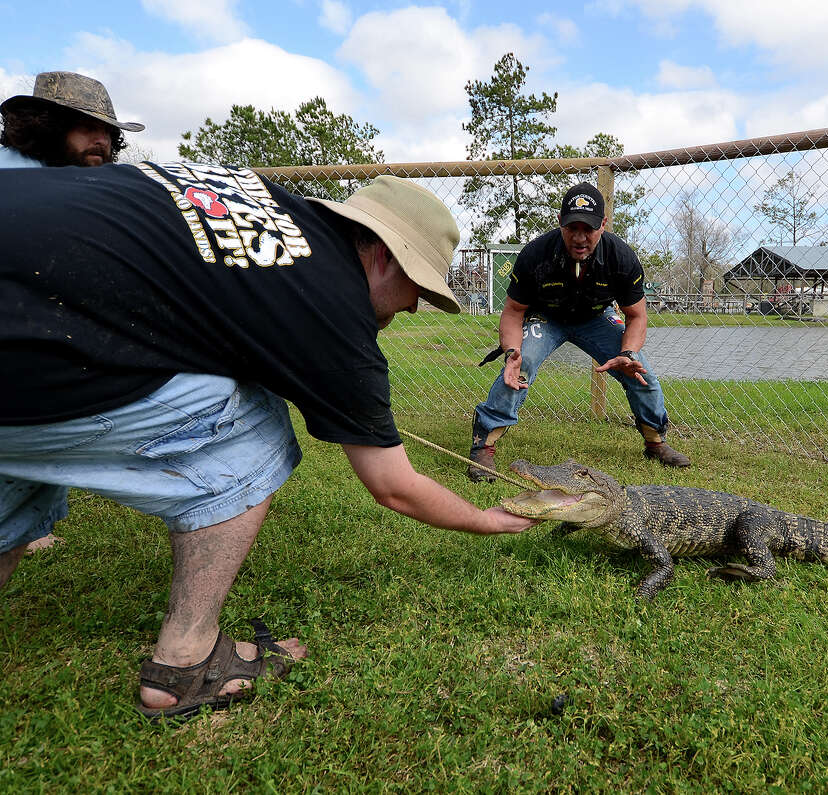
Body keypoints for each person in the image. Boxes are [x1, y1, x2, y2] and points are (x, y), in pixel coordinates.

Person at [0, 164, 535, 719]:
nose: (413, 307)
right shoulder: (333, 303)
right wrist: (488, 520)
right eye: (418, 287)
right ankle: (185, 664)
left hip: (28, 301)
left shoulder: (274, 210)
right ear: (382, 255)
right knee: (255, 432)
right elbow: (394, 486)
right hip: (33, 340)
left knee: (24, 442)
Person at [1, 72, 145, 554]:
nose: (101, 139)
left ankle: (23, 528)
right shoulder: (16, 177)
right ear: (44, 125)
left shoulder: (69, 181)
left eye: (107, 130)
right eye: (85, 126)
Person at [467, 182, 690, 482]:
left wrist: (627, 353)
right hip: (546, 317)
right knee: (522, 363)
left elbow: (636, 316)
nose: (580, 238)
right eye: (573, 227)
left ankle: (655, 442)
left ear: (603, 225)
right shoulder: (535, 254)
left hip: (596, 318)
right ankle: (484, 443)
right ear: (560, 223)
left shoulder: (621, 257)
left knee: (640, 373)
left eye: (590, 228)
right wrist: (510, 353)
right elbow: (513, 312)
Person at [0, 70, 143, 168]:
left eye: (108, 132)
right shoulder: (14, 174)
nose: (104, 141)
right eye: (89, 127)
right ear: (49, 129)